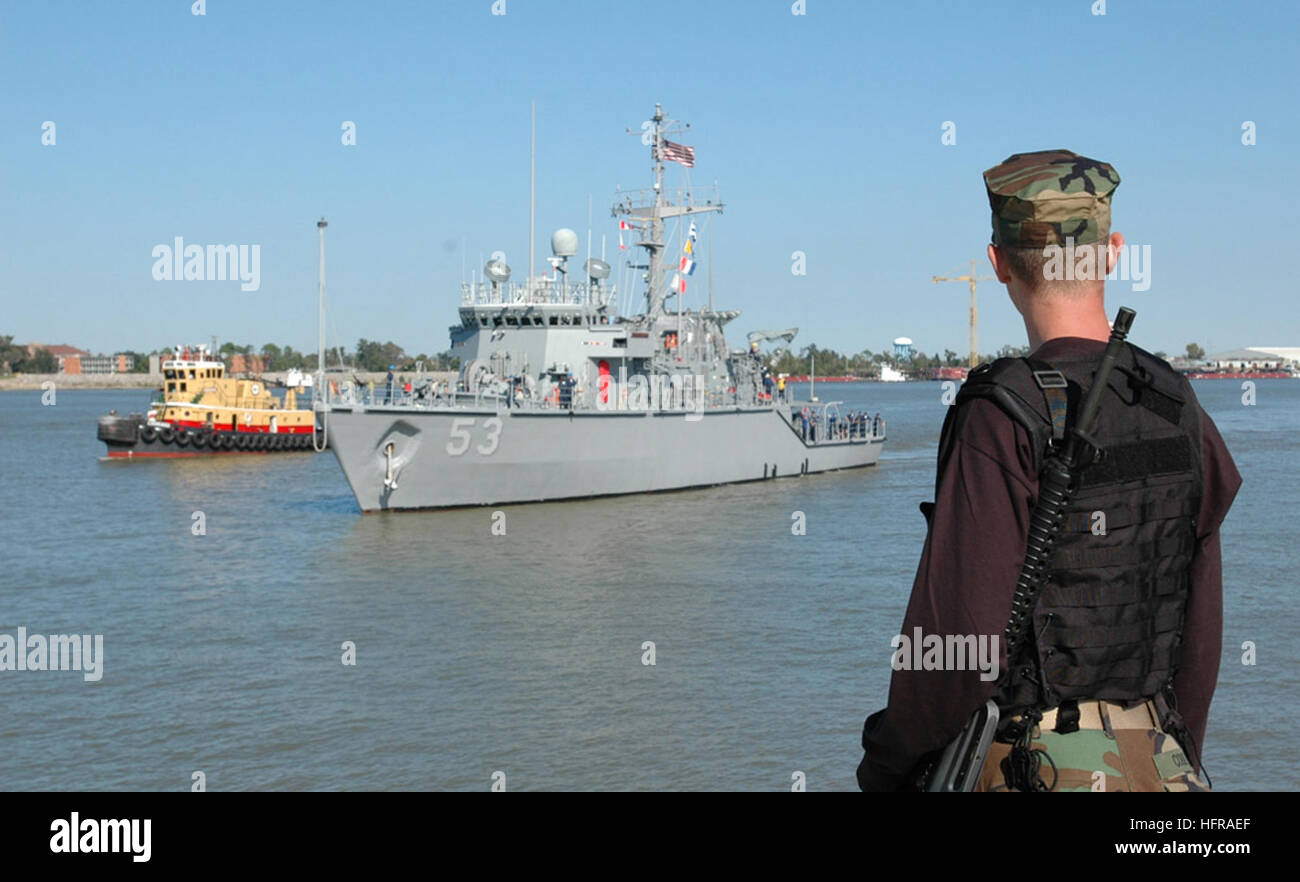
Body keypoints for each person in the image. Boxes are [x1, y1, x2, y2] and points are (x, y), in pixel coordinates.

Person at [855, 150, 1241, 792]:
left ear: (998, 263)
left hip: (1035, 767)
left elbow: (959, 648)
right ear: (1113, 251)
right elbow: (1202, 628)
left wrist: (888, 762)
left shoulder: (1000, 411)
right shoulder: (1177, 402)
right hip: (1167, 767)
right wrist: (1175, 756)